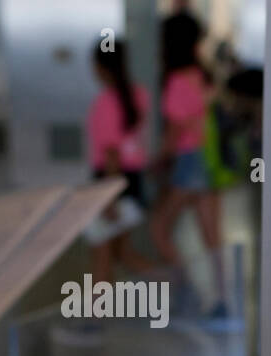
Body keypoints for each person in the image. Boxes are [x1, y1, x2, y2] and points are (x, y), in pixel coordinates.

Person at [150, 11, 228, 318]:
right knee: (213, 239)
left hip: (188, 163)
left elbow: (177, 130)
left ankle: (189, 292)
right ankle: (221, 299)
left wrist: (158, 159)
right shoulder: (203, 76)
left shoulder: (176, 80)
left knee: (159, 229)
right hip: (209, 163)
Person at [86, 41, 154, 281]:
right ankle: (176, 286)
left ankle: (95, 317)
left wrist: (108, 199)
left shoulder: (105, 103)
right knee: (123, 253)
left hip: (111, 184)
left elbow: (112, 155)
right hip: (134, 184)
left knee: (102, 254)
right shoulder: (139, 95)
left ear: (101, 67)